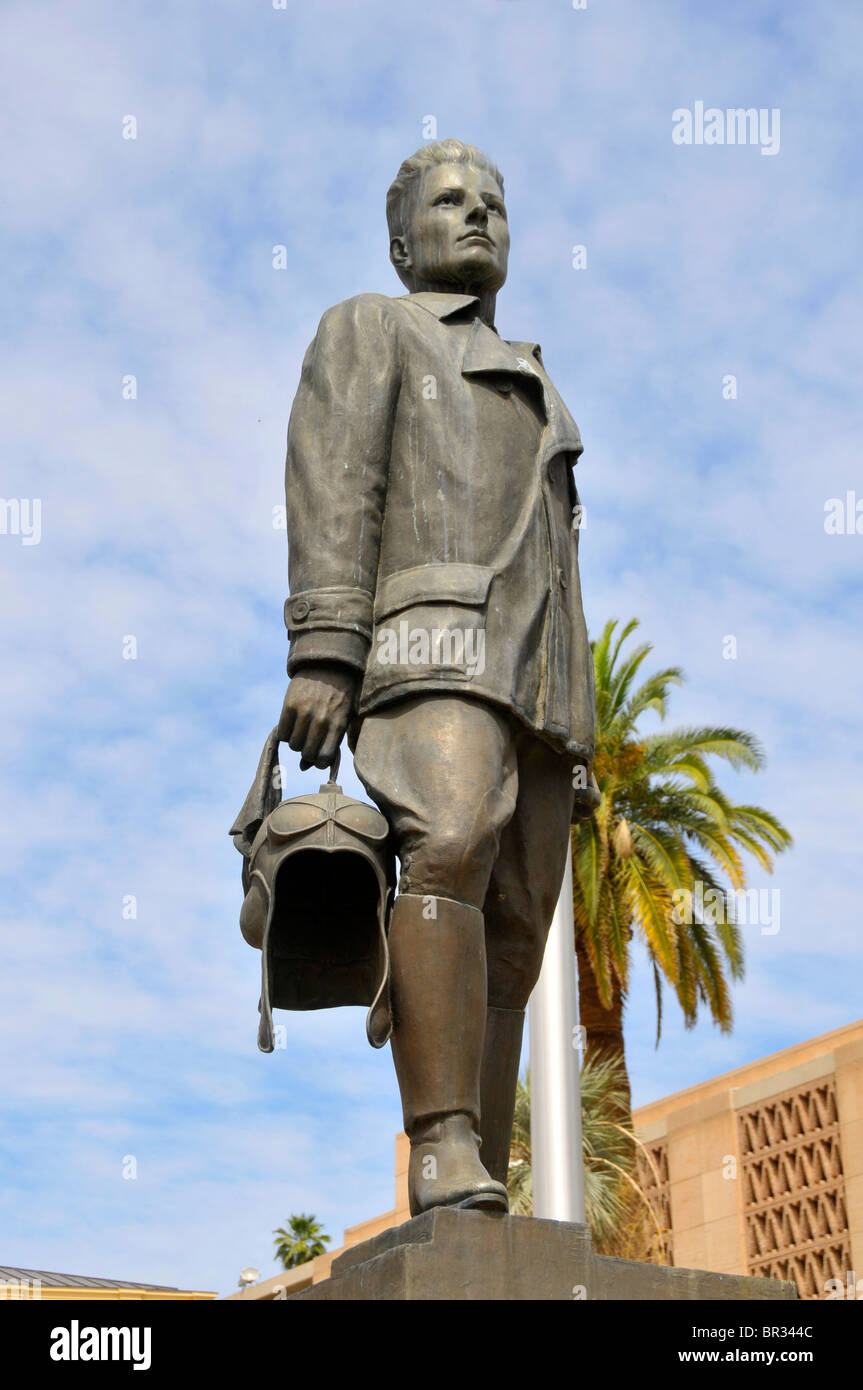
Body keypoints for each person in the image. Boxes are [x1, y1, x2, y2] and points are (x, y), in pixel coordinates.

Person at [277, 139, 597, 1215]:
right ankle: (440, 1143)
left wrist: (578, 728)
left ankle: (482, 1180)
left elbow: (560, 560)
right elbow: (337, 480)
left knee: (516, 924)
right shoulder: (374, 327)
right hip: (431, 645)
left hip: (539, 686)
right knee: (448, 847)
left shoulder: (542, 385)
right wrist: (325, 647)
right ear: (399, 238)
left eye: (492, 205)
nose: (476, 218)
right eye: (450, 203)